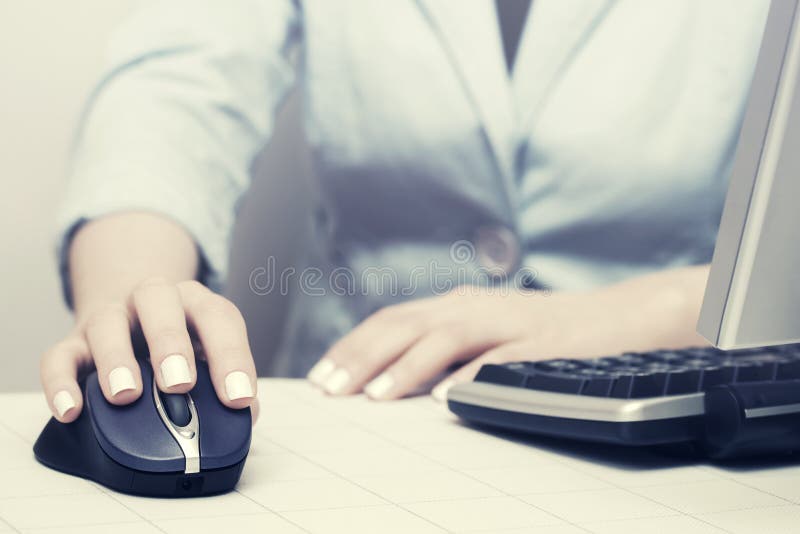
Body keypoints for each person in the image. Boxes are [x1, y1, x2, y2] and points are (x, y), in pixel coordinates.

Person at [40, 0, 769, 423]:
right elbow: (175, 90)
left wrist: (669, 310)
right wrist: (132, 296)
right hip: (357, 405)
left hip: (678, 408)